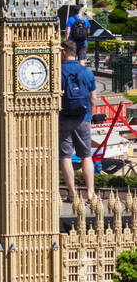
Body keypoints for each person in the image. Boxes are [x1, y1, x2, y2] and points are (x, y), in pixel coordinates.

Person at [60, 39, 97, 206]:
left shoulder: (58, 72)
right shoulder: (87, 73)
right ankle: (90, 192)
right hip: (83, 118)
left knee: (66, 156)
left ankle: (72, 193)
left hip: (64, 118)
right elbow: (93, 98)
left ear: (63, 52)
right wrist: (90, 117)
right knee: (86, 155)